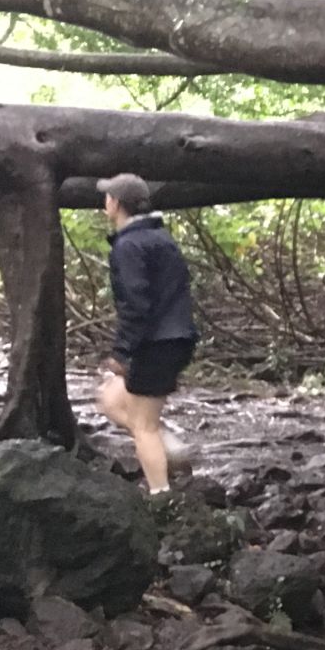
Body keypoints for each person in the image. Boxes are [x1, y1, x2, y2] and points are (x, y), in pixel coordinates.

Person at [95, 173, 198, 494]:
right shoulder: (161, 239)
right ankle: (168, 445)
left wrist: (122, 352)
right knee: (110, 399)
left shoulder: (128, 245)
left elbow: (136, 305)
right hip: (177, 338)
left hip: (154, 343)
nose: (105, 202)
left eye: (107, 197)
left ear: (116, 203)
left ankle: (160, 495)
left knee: (143, 427)